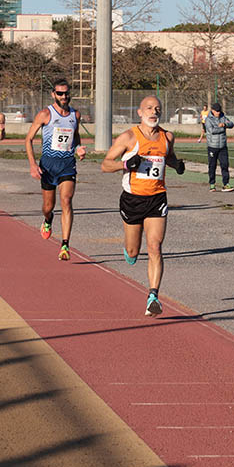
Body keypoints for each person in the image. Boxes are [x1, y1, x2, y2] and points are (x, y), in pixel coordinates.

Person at [101, 95, 186, 317]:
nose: (153, 112)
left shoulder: (167, 137)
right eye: (149, 108)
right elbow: (105, 165)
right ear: (140, 112)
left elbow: (168, 157)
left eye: (157, 108)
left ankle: (153, 296)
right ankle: (130, 251)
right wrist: (126, 164)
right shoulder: (129, 137)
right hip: (132, 199)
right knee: (133, 251)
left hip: (157, 198)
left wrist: (177, 165)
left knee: (155, 246)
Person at [25, 78, 87, 261]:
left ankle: (65, 245)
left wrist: (78, 148)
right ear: (53, 94)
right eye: (60, 93)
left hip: (67, 164)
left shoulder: (75, 115)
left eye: (66, 93)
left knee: (66, 201)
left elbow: (75, 136)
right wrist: (33, 164)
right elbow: (28, 139)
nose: (64, 96)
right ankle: (47, 219)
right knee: (48, 207)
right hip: (48, 165)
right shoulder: (45, 114)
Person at [205, 102, 234, 192]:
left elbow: (231, 124)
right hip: (212, 146)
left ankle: (226, 184)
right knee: (212, 166)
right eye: (216, 111)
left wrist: (225, 125)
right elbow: (212, 130)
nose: (218, 113)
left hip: (223, 146)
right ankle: (212, 184)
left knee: (225, 165)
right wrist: (222, 128)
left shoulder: (223, 117)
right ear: (213, 111)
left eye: (219, 111)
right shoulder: (208, 119)